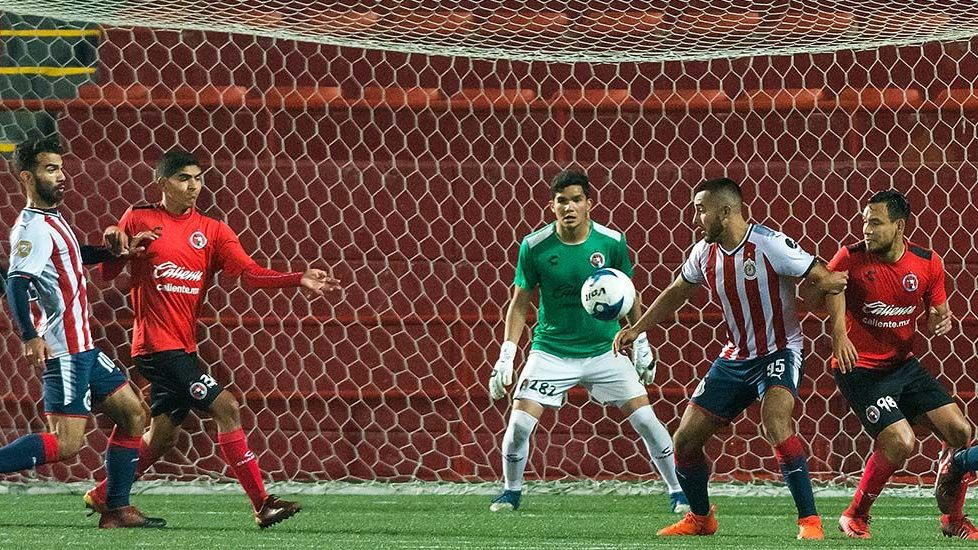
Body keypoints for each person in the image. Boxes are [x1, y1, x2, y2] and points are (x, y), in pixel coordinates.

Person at [82, 149, 341, 529]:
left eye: (198, 178)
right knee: (227, 407)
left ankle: (105, 495)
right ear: (162, 183)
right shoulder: (140, 217)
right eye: (184, 178)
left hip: (183, 346)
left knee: (163, 437)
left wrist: (297, 277)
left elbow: (250, 274)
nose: (194, 186)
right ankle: (262, 503)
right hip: (155, 346)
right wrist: (117, 245)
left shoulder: (214, 231)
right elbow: (106, 272)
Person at [614, 177, 849, 539]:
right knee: (685, 441)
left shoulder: (771, 245)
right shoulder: (702, 253)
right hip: (734, 358)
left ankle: (810, 521)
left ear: (725, 212)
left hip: (780, 350)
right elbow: (677, 292)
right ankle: (701, 518)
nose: (695, 219)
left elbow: (828, 279)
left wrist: (836, 324)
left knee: (775, 421)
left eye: (700, 210)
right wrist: (637, 328)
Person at [487, 169, 689, 514]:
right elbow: (520, 302)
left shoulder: (611, 242)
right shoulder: (534, 246)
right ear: (552, 206)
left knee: (646, 421)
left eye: (576, 200)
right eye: (562, 201)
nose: (569, 207)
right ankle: (511, 492)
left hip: (604, 350)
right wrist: (506, 356)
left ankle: (678, 493)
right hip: (551, 351)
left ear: (589, 204)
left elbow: (628, 293)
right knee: (519, 424)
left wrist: (640, 343)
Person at [3, 137, 165, 528]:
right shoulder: (32, 228)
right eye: (50, 169)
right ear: (27, 176)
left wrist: (119, 253)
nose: (61, 176)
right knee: (67, 444)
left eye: (61, 168)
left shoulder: (52, 220)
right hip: (65, 350)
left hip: (86, 348)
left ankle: (116, 508)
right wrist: (29, 335)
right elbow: (15, 283)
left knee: (131, 414)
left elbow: (76, 255)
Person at [818, 189, 978, 539]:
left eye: (875, 222)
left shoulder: (927, 263)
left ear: (899, 225)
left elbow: (940, 312)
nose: (866, 229)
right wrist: (839, 334)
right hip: (859, 369)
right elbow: (823, 290)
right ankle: (854, 515)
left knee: (961, 432)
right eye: (864, 221)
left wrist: (941, 321)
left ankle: (952, 519)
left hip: (903, 366)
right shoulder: (850, 257)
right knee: (901, 441)